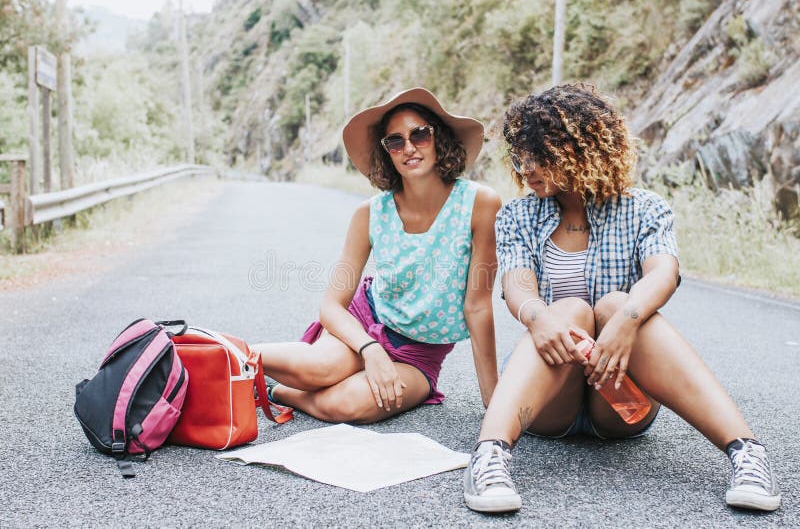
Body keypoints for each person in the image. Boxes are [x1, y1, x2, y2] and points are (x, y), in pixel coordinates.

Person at [462, 83, 781, 513]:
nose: (526, 168)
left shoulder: (644, 209)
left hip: (620, 400)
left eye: (538, 154)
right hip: (549, 399)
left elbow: (663, 272)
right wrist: (538, 317)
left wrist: (625, 322)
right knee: (569, 310)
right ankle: (489, 457)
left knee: (616, 304)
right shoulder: (518, 215)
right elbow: (517, 284)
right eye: (520, 156)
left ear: (580, 147)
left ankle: (748, 455)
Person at [254, 88, 502, 424]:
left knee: (348, 405)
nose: (409, 148)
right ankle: (219, 350)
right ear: (387, 153)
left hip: (418, 356)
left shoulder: (480, 203)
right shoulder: (369, 213)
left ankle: (278, 392)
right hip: (364, 323)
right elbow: (331, 306)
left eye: (419, 134)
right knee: (321, 369)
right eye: (395, 142)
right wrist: (369, 349)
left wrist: (493, 400)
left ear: (439, 138)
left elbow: (478, 306)